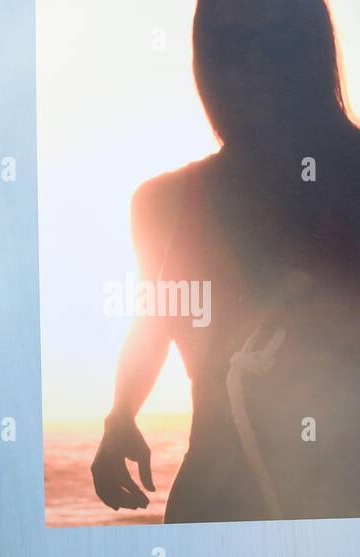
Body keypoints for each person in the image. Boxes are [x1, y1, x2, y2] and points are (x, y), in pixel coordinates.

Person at [91, 0, 360, 523]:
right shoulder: (165, 201)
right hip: (217, 501)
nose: (250, 68)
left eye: (274, 43)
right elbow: (155, 320)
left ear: (310, 50)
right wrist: (120, 414)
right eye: (228, 48)